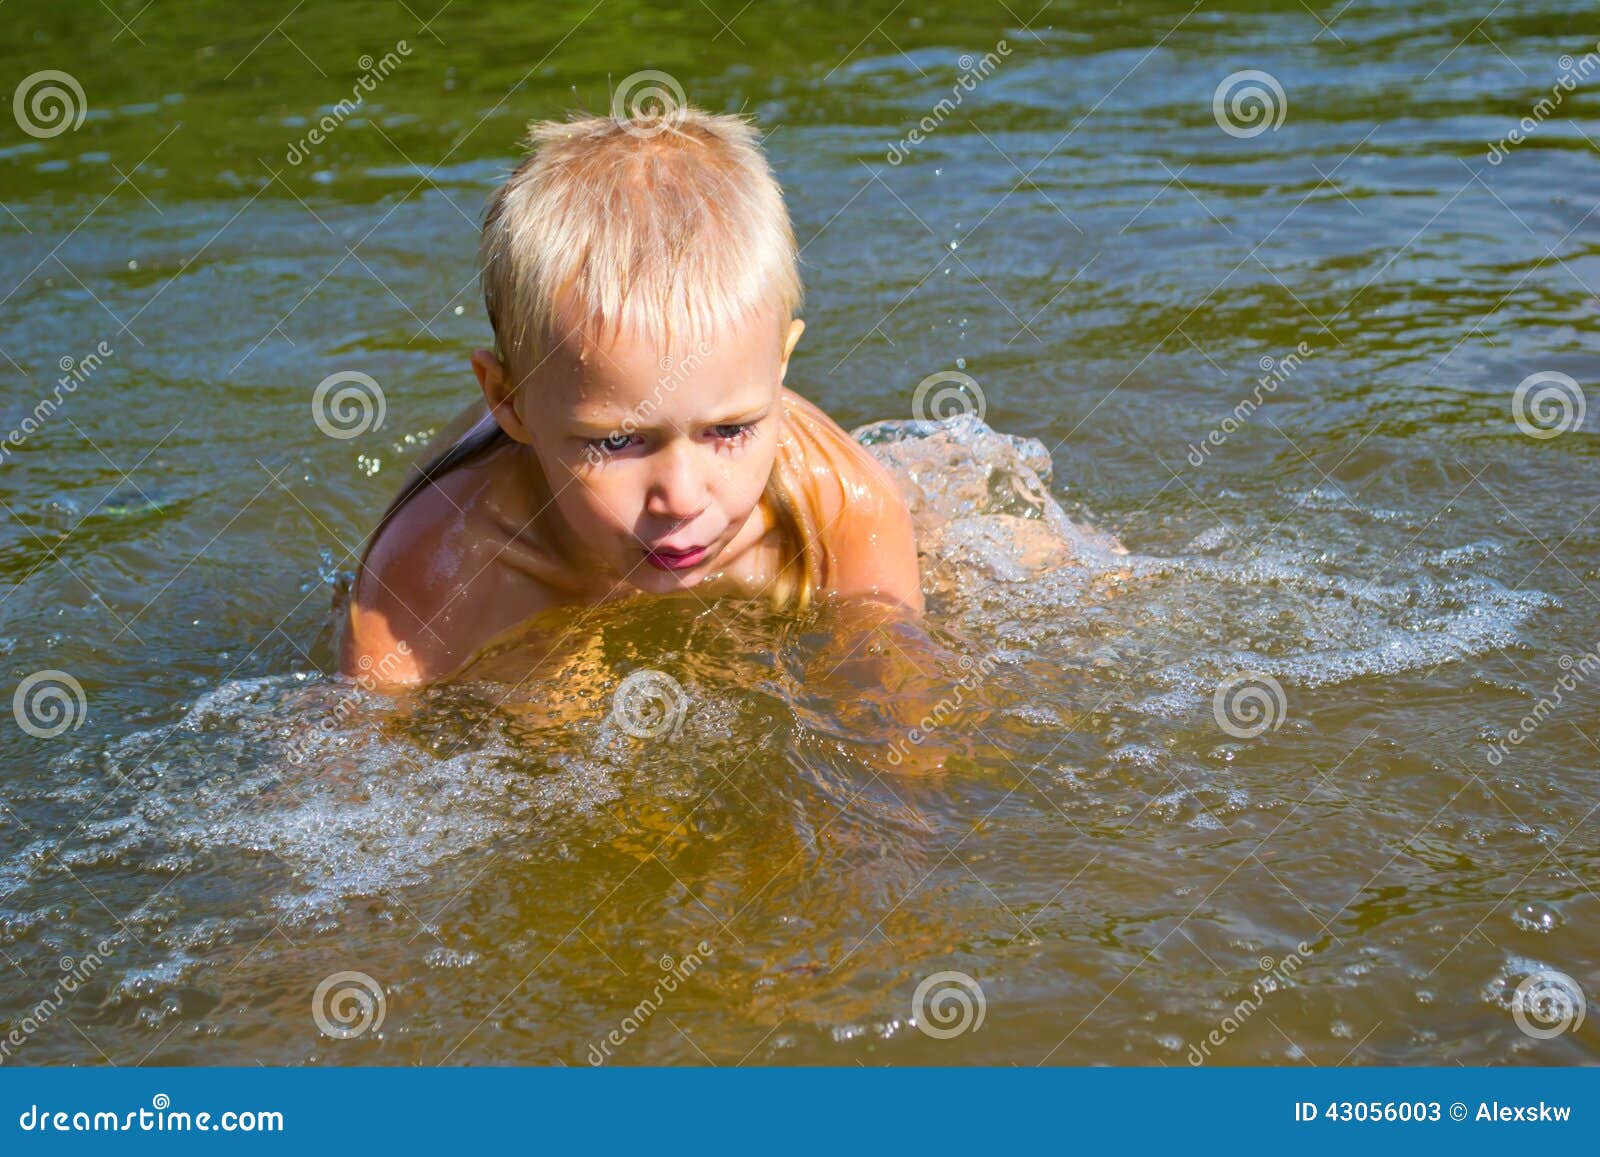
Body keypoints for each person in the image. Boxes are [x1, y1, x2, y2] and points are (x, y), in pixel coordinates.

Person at [340, 104, 923, 685]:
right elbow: (356, 748)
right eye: (618, 440)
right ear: (508, 401)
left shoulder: (847, 507)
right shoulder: (437, 566)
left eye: (729, 430)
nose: (682, 498)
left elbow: (909, 732)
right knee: (542, 699)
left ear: (780, 369)